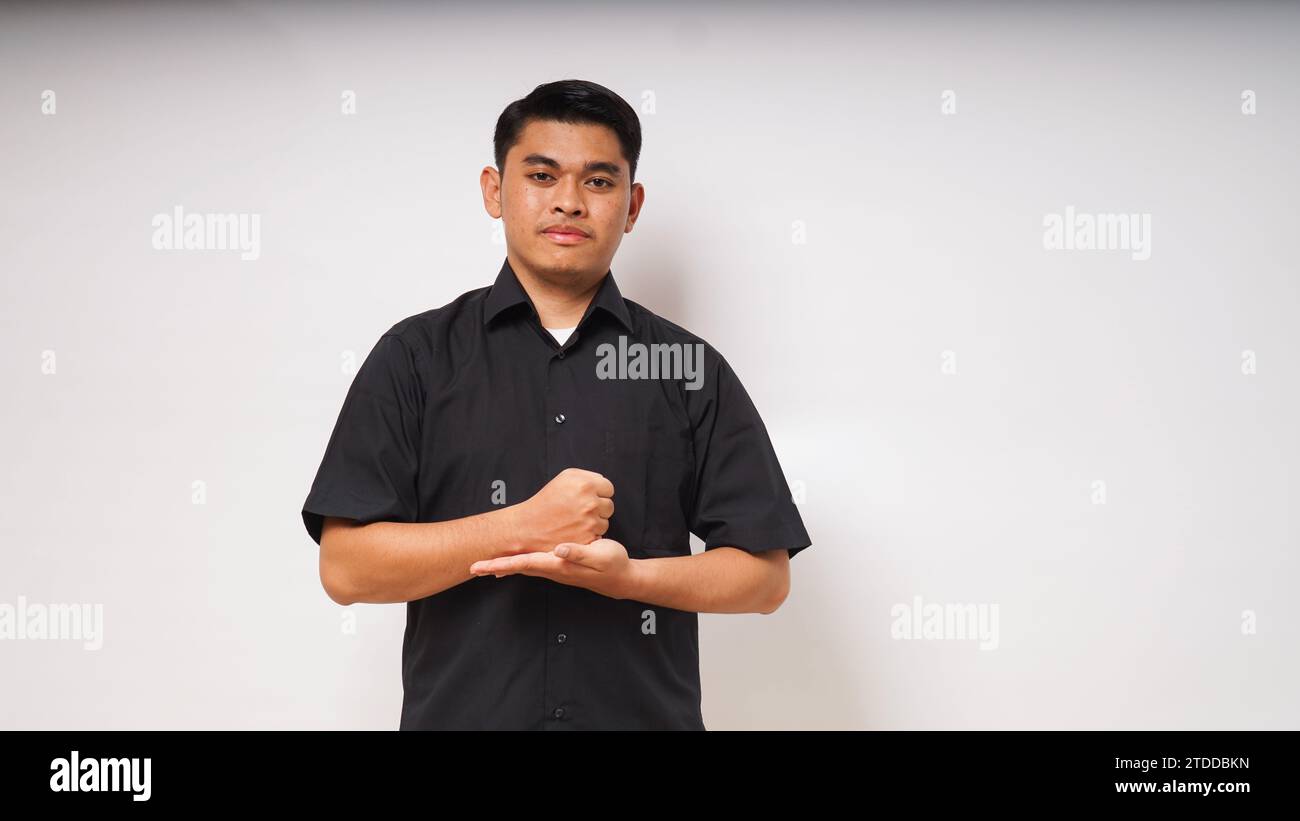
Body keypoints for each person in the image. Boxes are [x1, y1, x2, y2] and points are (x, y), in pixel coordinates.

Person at [301, 79, 811, 730]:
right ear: (494, 189)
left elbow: (765, 579)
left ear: (632, 204)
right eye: (542, 174)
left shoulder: (689, 368)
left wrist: (634, 580)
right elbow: (346, 567)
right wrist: (523, 525)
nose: (568, 201)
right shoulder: (416, 358)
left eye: (599, 181)